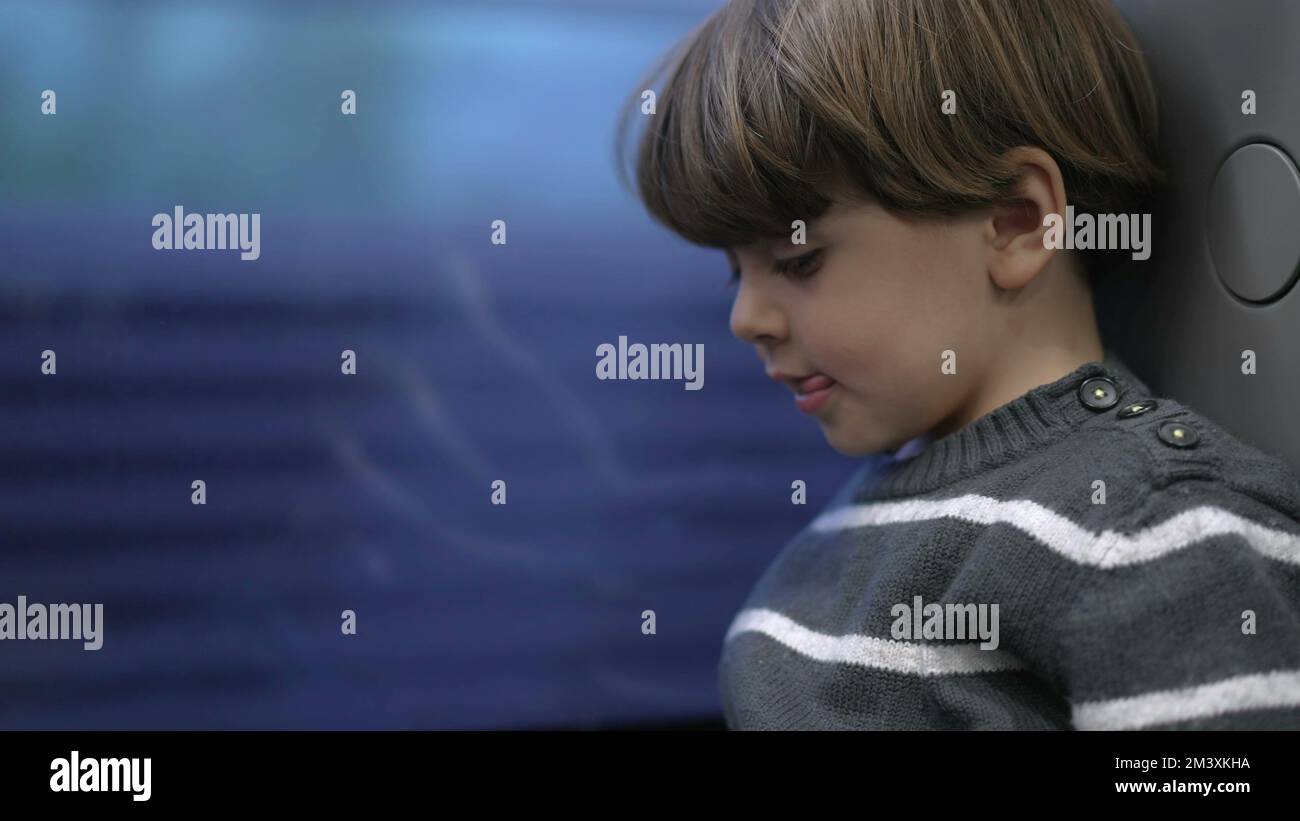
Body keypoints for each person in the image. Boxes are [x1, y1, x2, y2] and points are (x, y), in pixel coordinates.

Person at [615, 0, 1300, 729]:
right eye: (735, 272)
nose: (745, 319)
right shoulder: (880, 507)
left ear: (1016, 223)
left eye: (797, 259)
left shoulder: (1150, 526)